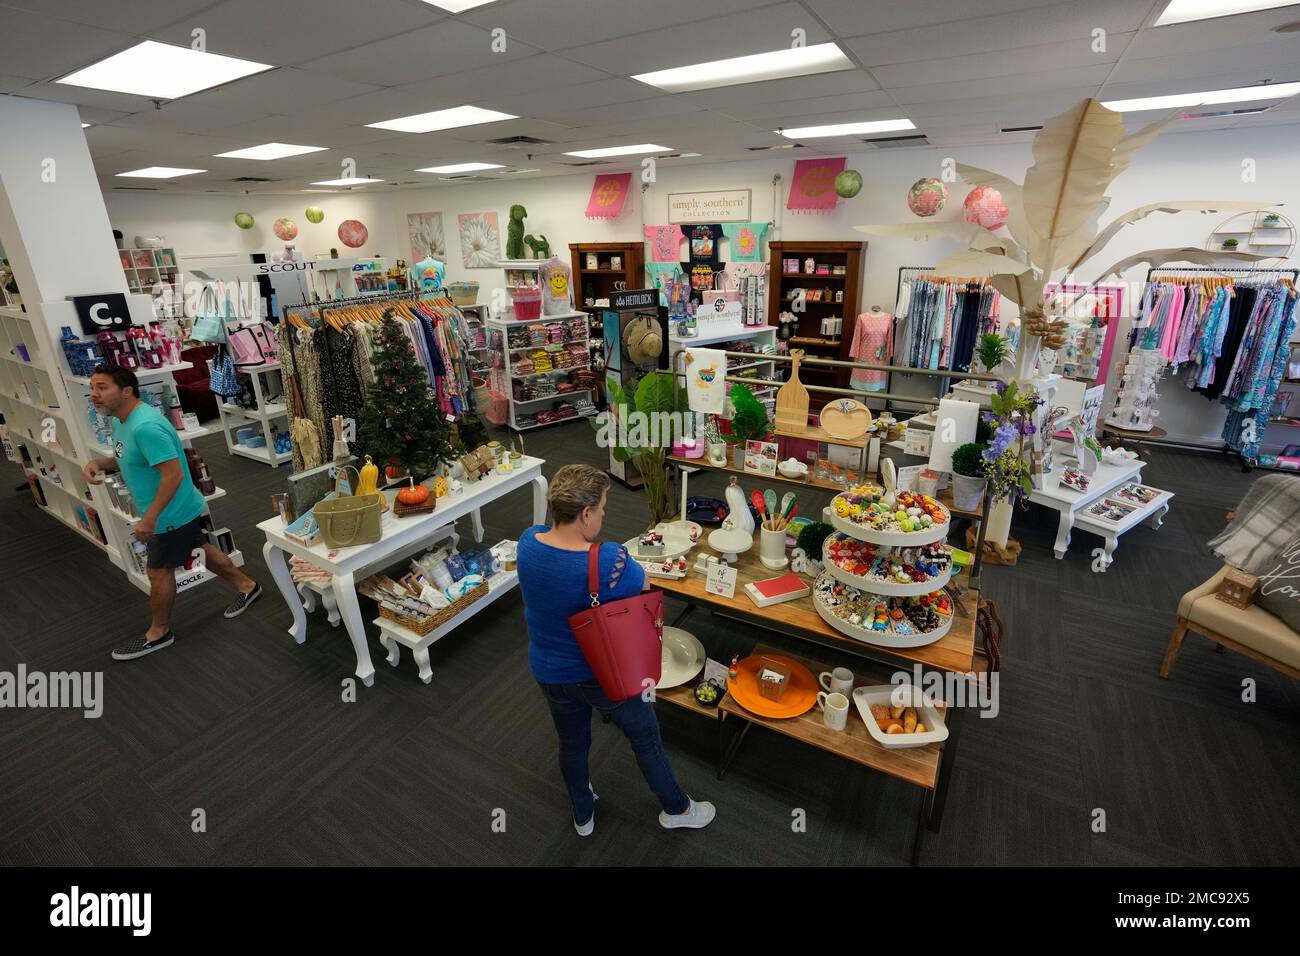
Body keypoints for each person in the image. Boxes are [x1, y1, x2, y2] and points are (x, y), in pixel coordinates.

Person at [518, 463, 714, 836]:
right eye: (603, 508)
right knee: (645, 737)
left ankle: (582, 813)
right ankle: (677, 808)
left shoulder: (529, 541)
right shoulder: (609, 559)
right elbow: (644, 588)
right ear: (585, 513)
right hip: (603, 676)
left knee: (572, 742)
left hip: (548, 671)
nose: (605, 515)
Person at [82, 365, 261, 661]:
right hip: (175, 510)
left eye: (102, 387)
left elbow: (173, 475)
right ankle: (248, 586)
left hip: (170, 514)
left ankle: (159, 632)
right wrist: (100, 463)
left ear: (126, 391)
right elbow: (130, 456)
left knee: (158, 571)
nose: (94, 394)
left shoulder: (145, 426)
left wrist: (151, 518)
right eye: (92, 388)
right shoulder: (122, 421)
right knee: (198, 547)